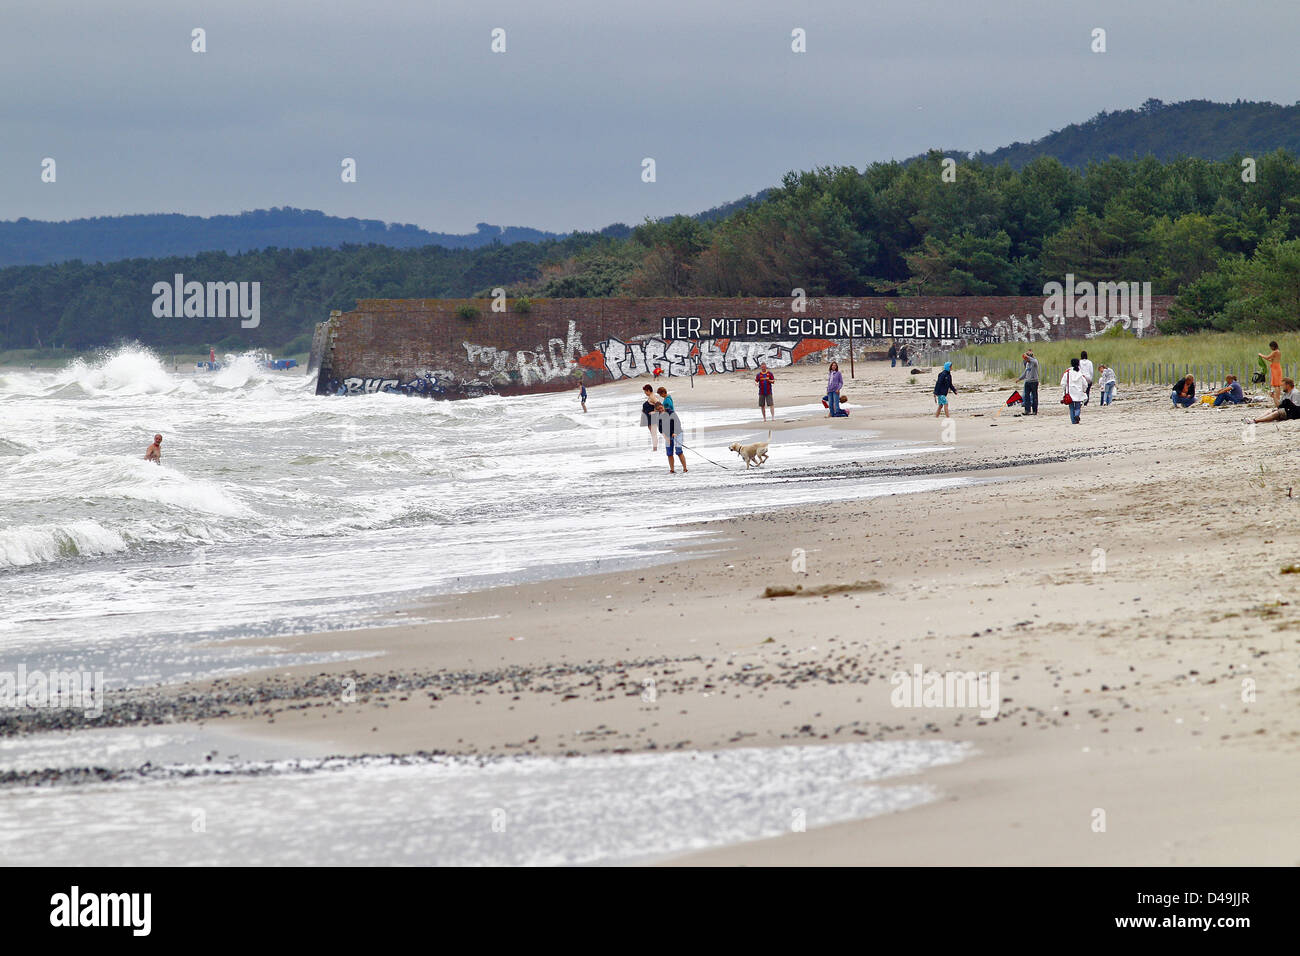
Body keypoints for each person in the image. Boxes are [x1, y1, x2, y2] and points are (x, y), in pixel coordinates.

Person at [656, 401, 688, 473]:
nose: (661, 410)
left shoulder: (671, 412)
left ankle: (685, 468)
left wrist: (675, 433)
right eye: (659, 410)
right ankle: (672, 470)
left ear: (662, 406)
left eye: (661, 408)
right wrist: (666, 437)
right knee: (669, 453)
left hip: (678, 433)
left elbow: (678, 423)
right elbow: (661, 430)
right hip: (668, 436)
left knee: (679, 451)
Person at [1061, 359, 1086, 424]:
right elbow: (1085, 383)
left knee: (1071, 408)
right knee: (1078, 407)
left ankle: (1073, 421)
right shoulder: (1080, 373)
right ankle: (1077, 415)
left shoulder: (1067, 373)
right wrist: (1084, 390)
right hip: (1079, 392)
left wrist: (1064, 391)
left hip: (1070, 393)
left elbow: (1063, 383)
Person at [1016, 349, 1039, 416]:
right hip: (1027, 382)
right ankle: (1027, 411)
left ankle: (1035, 411)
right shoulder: (1027, 364)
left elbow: (1029, 358)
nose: (1025, 359)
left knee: (1034, 397)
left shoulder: (1035, 362)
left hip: (1034, 382)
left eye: (1026, 358)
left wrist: (1027, 355)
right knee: (1026, 397)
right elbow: (1026, 372)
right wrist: (1019, 379)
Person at [1259, 341, 1282, 406]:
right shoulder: (1278, 352)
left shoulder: (1275, 352)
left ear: (1273, 346)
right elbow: (1271, 360)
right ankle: (1278, 397)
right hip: (1276, 366)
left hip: (1275, 368)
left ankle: (1277, 398)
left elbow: (1267, 357)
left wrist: (1261, 355)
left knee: (1276, 384)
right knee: (1277, 384)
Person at [641, 384, 658, 450]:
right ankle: (654, 448)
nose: (645, 393)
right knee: (653, 434)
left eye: (645, 391)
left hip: (652, 418)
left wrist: (654, 411)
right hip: (649, 418)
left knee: (654, 434)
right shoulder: (650, 396)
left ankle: (655, 449)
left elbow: (659, 405)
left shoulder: (653, 397)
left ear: (648, 390)